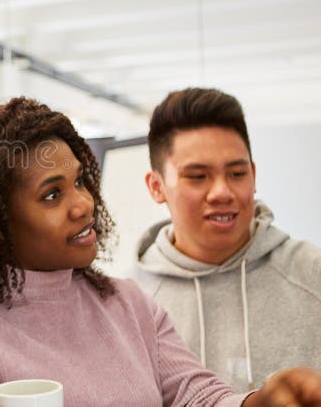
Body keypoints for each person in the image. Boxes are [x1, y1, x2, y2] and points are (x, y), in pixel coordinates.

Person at [0, 97, 321, 407]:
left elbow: (196, 395)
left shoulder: (126, 302)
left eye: (79, 182)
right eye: (52, 195)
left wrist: (259, 401)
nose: (84, 204)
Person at [135, 87, 321, 392]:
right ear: (156, 186)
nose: (222, 192)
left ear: (254, 175)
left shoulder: (312, 274)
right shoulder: (130, 304)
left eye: (236, 173)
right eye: (198, 176)